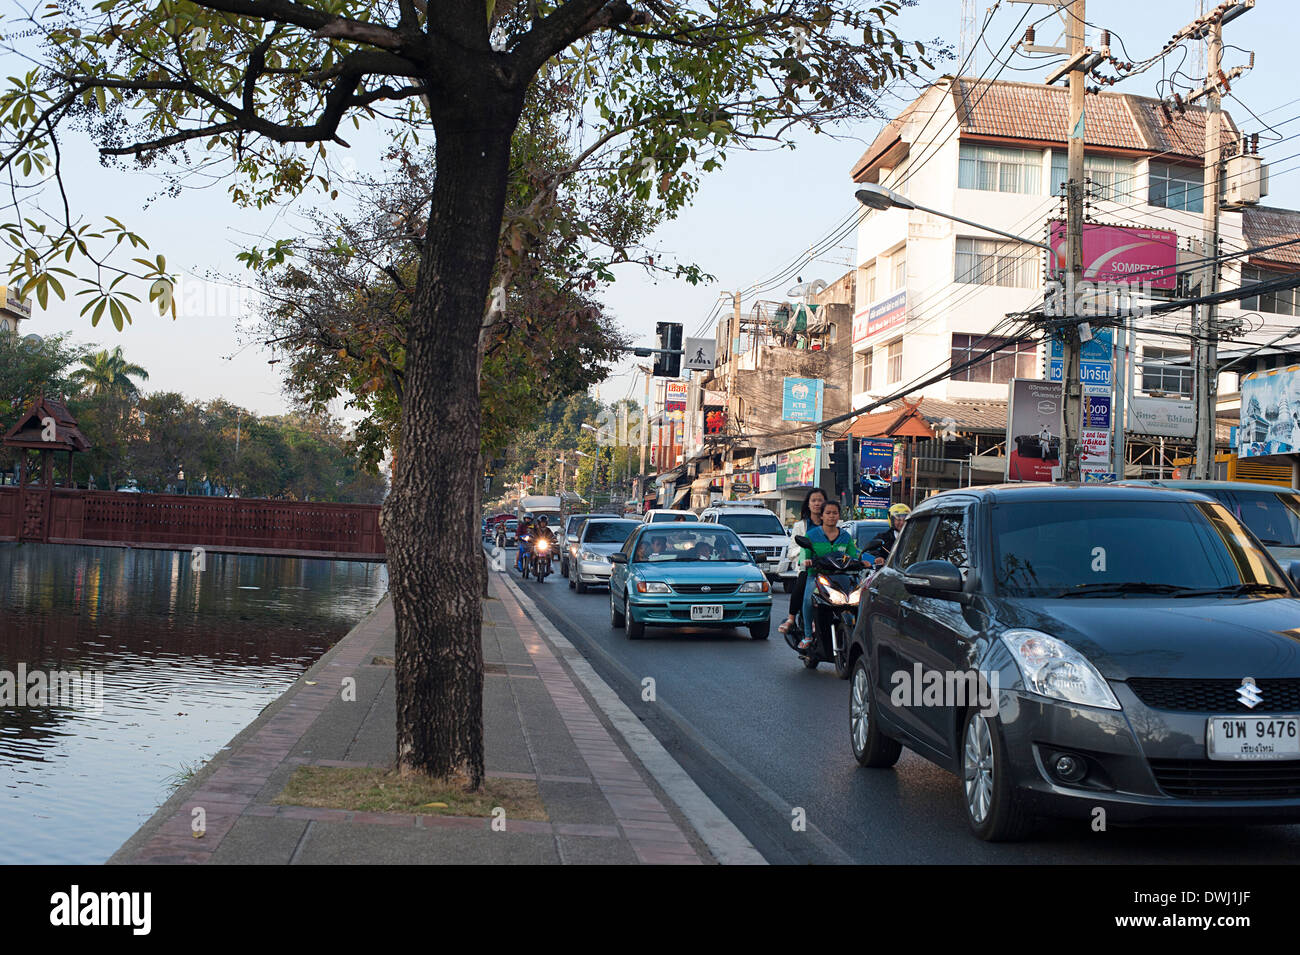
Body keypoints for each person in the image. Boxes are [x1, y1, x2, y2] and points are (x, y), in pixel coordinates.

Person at [797, 500, 861, 651]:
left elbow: (853, 554)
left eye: (835, 513)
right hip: (817, 576)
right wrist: (805, 561)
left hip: (841, 577)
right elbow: (803, 554)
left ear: (839, 516)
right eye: (828, 513)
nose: (832, 516)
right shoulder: (812, 535)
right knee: (807, 600)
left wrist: (863, 561)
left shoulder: (845, 536)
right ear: (822, 516)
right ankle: (807, 636)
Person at [778, 487, 827, 636]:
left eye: (820, 500)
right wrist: (804, 555)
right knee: (802, 582)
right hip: (807, 569)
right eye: (814, 500)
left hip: (828, 569)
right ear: (808, 504)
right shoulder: (800, 526)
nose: (817, 503)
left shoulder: (832, 524)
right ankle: (791, 618)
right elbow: (792, 551)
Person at [867, 503, 911, 569]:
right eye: (898, 519)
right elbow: (872, 550)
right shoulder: (883, 538)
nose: (902, 523)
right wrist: (878, 557)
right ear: (892, 520)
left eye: (905, 519)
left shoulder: (915, 537)